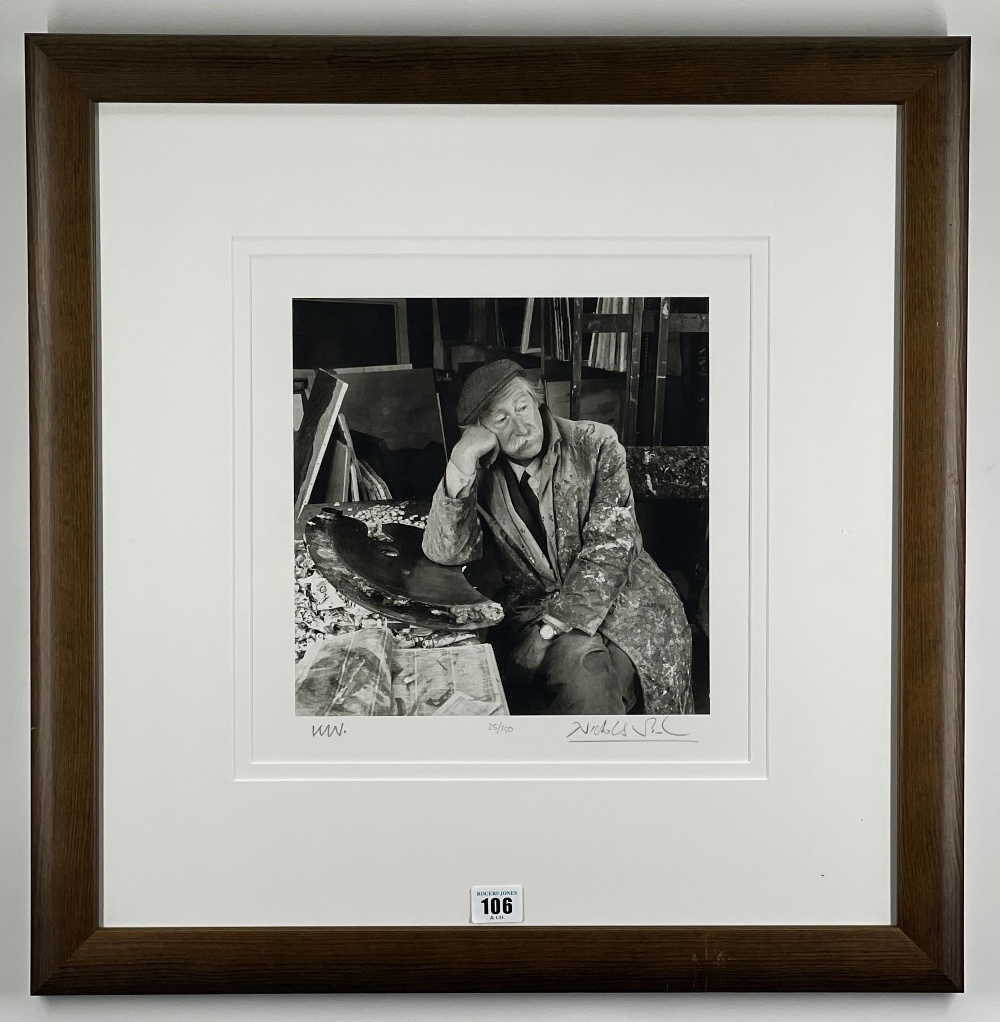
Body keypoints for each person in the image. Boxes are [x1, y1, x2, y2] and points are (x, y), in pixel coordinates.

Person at [422, 358, 693, 715]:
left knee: (614, 683)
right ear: (481, 431)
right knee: (589, 685)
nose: (521, 427)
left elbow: (610, 551)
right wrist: (460, 461)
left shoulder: (595, 443)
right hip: (540, 607)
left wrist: (546, 633)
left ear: (536, 398)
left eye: (522, 407)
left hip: (626, 599)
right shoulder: (482, 471)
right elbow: (446, 553)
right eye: (501, 420)